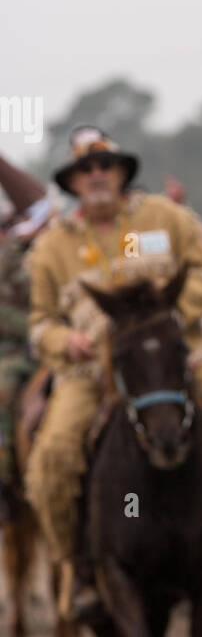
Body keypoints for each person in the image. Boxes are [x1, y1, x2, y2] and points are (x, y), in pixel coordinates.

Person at [24, 127, 202, 620]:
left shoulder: (167, 218)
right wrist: (65, 341)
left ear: (121, 172)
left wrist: (171, 314)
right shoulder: (52, 248)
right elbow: (41, 324)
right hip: (92, 370)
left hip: (178, 354)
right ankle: (80, 571)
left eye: (105, 166)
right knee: (50, 458)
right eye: (85, 170)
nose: (96, 175)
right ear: (73, 182)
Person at [0, 156, 53, 520]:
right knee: (2, 391)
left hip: (65, 347)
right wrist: (34, 326)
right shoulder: (7, 255)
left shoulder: (62, 247)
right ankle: (4, 482)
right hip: (18, 350)